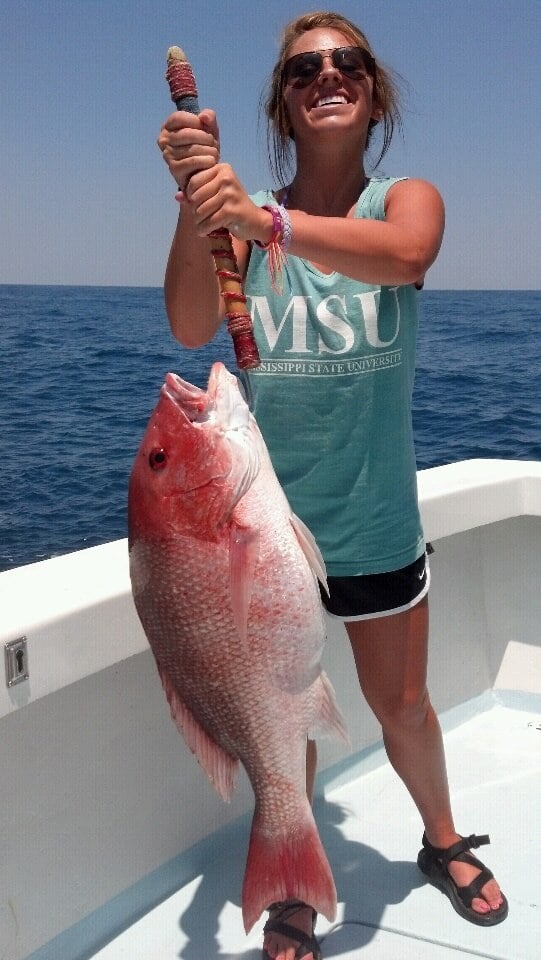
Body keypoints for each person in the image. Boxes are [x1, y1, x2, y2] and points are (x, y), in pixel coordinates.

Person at [157, 10, 508, 960]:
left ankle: (440, 840)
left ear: (372, 89)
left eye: (345, 62)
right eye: (303, 69)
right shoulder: (235, 216)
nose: (326, 77)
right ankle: (293, 887)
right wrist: (201, 204)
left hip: (376, 521)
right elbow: (193, 320)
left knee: (404, 707)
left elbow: (408, 257)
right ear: (282, 99)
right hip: (263, 537)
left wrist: (257, 218)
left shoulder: (404, 201)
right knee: (285, 722)